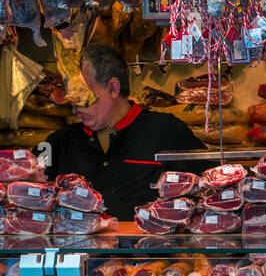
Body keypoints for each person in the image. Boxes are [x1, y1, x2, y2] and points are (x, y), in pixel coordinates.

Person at [48, 43, 206, 220]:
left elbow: (210, 187)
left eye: (83, 94)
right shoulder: (59, 143)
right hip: (79, 246)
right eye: (71, 95)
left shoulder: (167, 131)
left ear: (113, 88)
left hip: (149, 245)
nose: (74, 104)